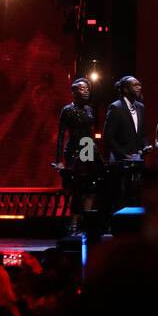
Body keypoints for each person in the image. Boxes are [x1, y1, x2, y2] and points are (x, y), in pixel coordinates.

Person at [53, 77, 100, 232]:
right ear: (73, 91)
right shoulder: (67, 110)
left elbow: (91, 133)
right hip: (74, 151)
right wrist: (59, 160)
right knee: (77, 188)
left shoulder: (90, 109)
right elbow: (61, 135)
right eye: (82, 88)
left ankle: (86, 221)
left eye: (87, 88)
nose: (86, 91)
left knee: (90, 187)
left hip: (88, 149)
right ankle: (73, 223)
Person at [102, 76, 146, 162]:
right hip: (120, 160)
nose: (139, 87)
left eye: (139, 85)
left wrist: (144, 147)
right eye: (135, 85)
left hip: (137, 158)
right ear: (126, 89)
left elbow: (142, 132)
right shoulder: (116, 107)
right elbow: (108, 137)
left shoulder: (140, 107)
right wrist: (124, 154)